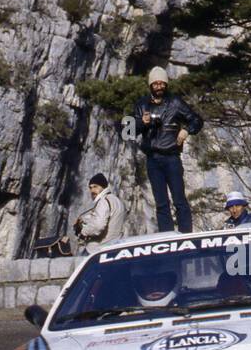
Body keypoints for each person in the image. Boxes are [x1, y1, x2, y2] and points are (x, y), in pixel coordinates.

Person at [130, 66, 202, 233]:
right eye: (155, 84)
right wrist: (143, 123)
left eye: (162, 83)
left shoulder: (175, 102)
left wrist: (186, 131)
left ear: (166, 84)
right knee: (161, 202)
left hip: (172, 157)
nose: (159, 87)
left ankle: (186, 235)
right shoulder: (141, 104)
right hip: (152, 159)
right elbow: (128, 130)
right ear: (150, 85)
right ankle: (166, 236)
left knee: (179, 200)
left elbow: (197, 119)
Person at [73, 173, 127, 253]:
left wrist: (83, 232)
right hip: (113, 247)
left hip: (96, 249)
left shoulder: (104, 201)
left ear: (103, 186)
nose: (92, 190)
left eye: (95, 187)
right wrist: (84, 220)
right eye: (90, 187)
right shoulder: (117, 201)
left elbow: (98, 226)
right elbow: (103, 217)